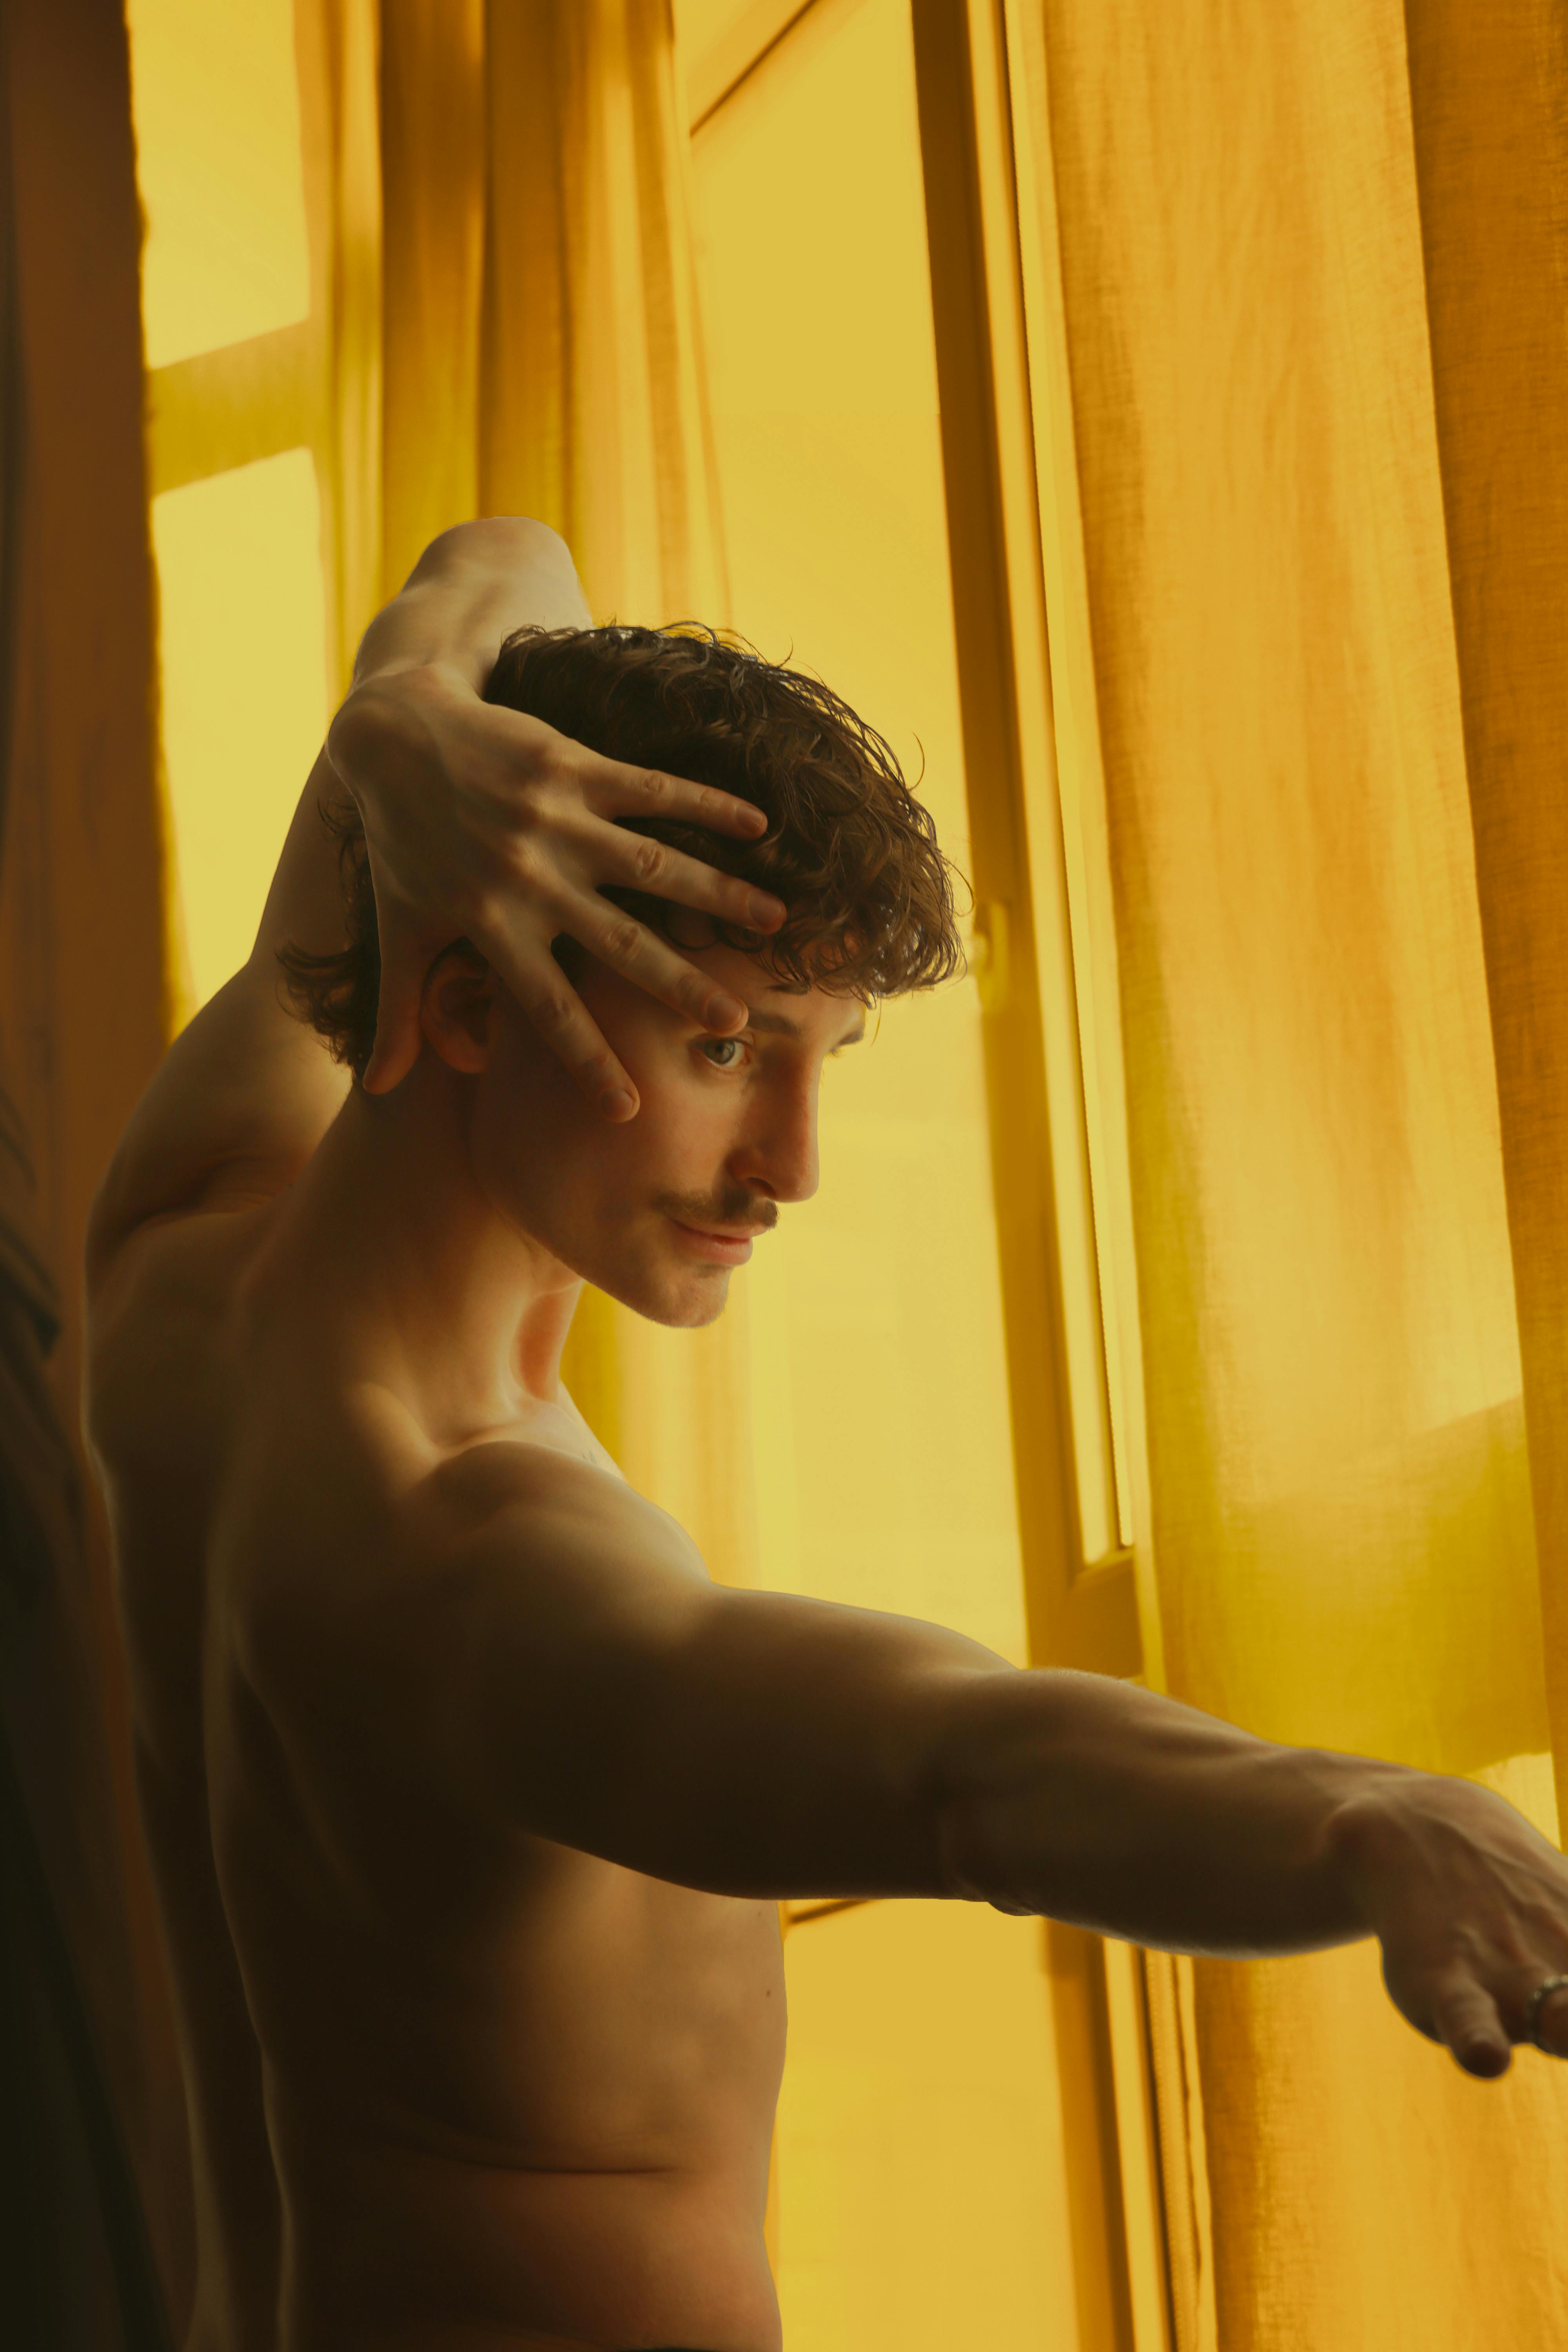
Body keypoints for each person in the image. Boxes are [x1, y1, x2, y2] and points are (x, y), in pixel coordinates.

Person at [85, 517, 1568, 2352]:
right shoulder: (467, 1571)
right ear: (470, 1005)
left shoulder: (181, 1253)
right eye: (724, 1050)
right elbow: (956, 1769)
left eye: (823, 1059)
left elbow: (505, 558)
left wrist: (392, 718)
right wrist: (1363, 1815)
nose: (791, 1169)